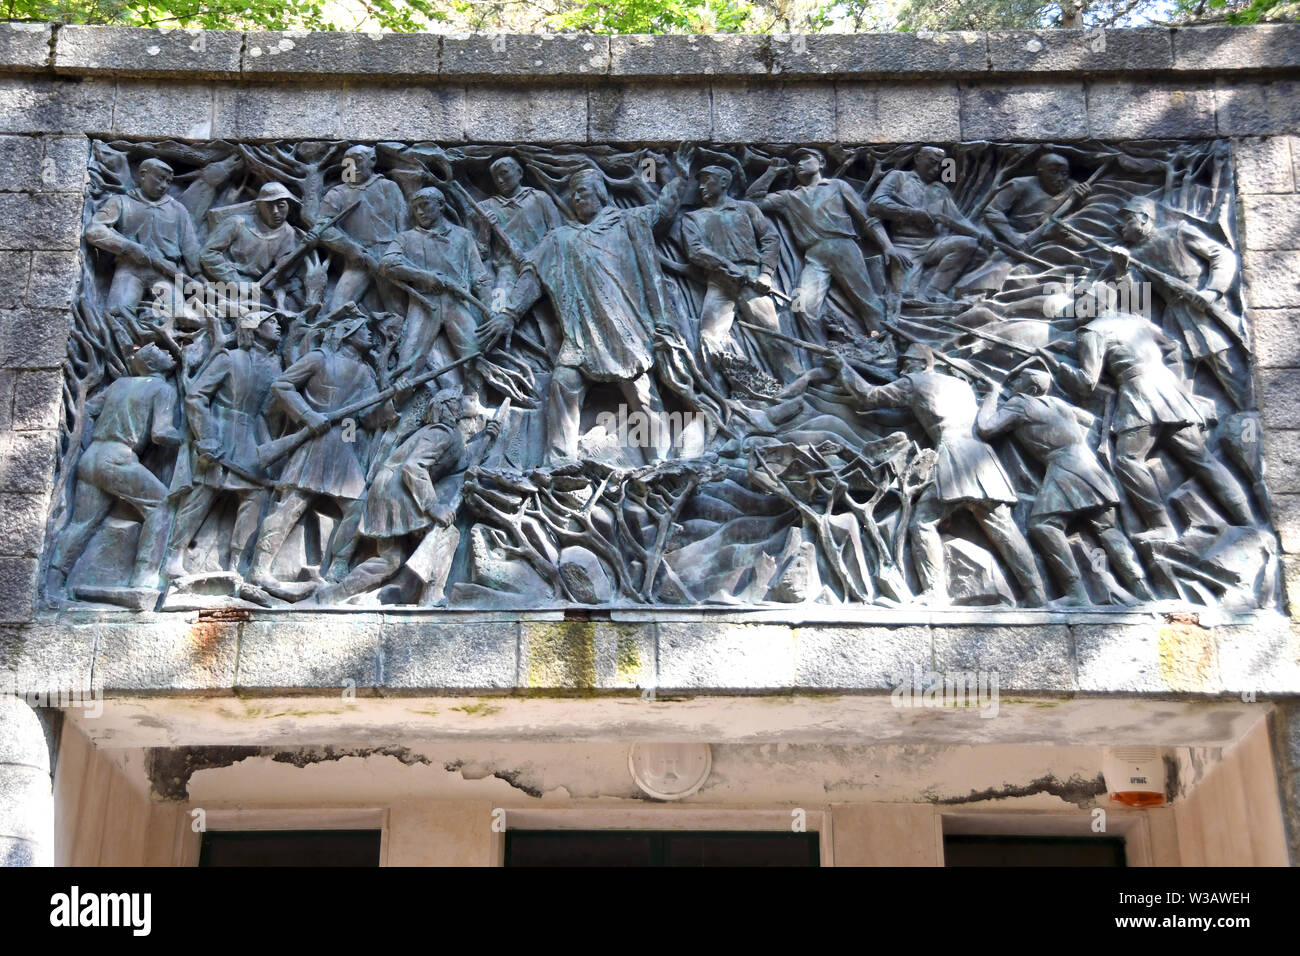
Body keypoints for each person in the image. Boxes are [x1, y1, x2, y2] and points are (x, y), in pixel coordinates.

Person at [477, 164, 687, 464]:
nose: (576, 198)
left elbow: (664, 211)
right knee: (563, 383)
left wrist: (678, 176)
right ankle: (559, 465)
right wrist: (509, 314)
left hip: (624, 334)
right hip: (581, 337)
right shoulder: (560, 238)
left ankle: (661, 464)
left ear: (601, 194)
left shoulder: (627, 222)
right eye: (573, 194)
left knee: (643, 395)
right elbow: (532, 274)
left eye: (582, 192)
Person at [827, 342, 1046, 606]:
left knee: (923, 522)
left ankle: (935, 592)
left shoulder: (913, 382)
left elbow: (869, 396)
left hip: (953, 456)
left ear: (923, 364)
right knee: (1005, 528)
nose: (902, 369)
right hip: (982, 458)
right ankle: (1037, 594)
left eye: (907, 363)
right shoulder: (962, 385)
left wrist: (842, 366)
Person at [1055, 286, 1252, 537]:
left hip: (1139, 397)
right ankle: (1246, 519)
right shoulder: (1135, 321)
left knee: (1127, 461)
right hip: (1170, 391)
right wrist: (1176, 383)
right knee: (1202, 459)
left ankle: (1161, 526)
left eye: (1081, 304)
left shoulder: (1092, 331)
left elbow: (1086, 383)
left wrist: (1063, 371)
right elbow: (1173, 348)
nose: (1076, 312)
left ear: (1095, 305)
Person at [246, 314, 401, 598]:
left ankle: (339, 565)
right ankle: (259, 568)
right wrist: (307, 416)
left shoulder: (365, 372)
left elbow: (365, 418)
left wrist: (390, 401)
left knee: (357, 506)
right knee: (290, 506)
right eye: (362, 328)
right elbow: (281, 385)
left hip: (342, 443)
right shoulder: (320, 358)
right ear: (346, 332)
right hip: (314, 439)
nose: (369, 334)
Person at [976, 366, 1152, 604]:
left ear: (1029, 388)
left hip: (1065, 468)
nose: (1013, 382)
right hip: (1091, 469)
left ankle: (1076, 594)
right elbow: (1089, 421)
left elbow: (986, 428)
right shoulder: (1058, 404)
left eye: (1017, 380)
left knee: (1043, 525)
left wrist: (992, 395)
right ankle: (1142, 590)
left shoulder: (1021, 402)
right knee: (1108, 530)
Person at [48, 344, 183, 595]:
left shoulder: (119, 385)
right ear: (152, 365)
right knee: (162, 505)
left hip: (91, 458)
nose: (170, 354)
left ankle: (55, 581)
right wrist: (189, 440)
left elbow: (87, 410)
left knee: (81, 523)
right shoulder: (163, 389)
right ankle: (144, 577)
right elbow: (160, 433)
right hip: (119, 458)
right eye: (163, 353)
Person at [163, 311, 284, 580]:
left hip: (253, 438)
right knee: (202, 494)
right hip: (220, 432)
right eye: (271, 322)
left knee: (256, 495)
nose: (278, 327)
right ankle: (174, 556)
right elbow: (196, 397)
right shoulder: (230, 359)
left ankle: (238, 563)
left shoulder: (277, 367)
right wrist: (206, 437)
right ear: (254, 329)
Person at [1108, 196, 1253, 410]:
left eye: (1128, 219)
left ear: (1145, 218)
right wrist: (1122, 271)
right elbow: (1137, 302)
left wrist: (1212, 291)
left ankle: (1251, 418)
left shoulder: (1177, 231)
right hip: (1173, 319)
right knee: (1174, 376)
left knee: (1227, 366)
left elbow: (1221, 255)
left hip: (1202, 309)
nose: (1122, 226)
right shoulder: (1135, 257)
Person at [746, 147, 902, 330]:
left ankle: (883, 342)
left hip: (843, 247)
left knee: (865, 299)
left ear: (821, 163)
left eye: (805, 159)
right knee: (802, 306)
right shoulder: (789, 197)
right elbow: (751, 202)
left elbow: (866, 218)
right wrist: (771, 172)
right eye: (797, 162)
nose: (799, 164)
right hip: (814, 255)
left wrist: (887, 246)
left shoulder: (837, 186)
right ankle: (820, 353)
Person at [682, 165, 801, 383]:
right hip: (719, 282)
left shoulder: (747, 209)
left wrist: (766, 274)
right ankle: (719, 397)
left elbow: (770, 239)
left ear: (724, 182)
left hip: (752, 279)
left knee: (773, 336)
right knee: (708, 338)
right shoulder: (693, 218)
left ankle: (797, 385)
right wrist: (726, 265)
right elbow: (695, 250)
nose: (700, 186)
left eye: (707, 180)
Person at [84, 158, 201, 351]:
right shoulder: (121, 202)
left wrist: (197, 276)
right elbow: (94, 231)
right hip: (129, 270)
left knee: (182, 318)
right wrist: (128, 247)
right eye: (160, 179)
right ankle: (122, 363)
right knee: (116, 316)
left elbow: (191, 248)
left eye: (168, 182)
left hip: (167, 273)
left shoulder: (178, 210)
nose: (164, 185)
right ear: (143, 175)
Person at [378, 186, 493, 383]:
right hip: (423, 305)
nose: (420, 212)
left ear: (441, 205)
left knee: (475, 358)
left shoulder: (463, 236)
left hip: (457, 304)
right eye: (415, 208)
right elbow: (386, 264)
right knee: (407, 366)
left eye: (424, 205)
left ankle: (475, 405)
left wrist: (490, 310)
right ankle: (394, 405)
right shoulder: (406, 238)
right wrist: (424, 277)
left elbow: (479, 277)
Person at [869, 146, 992, 299]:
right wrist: (912, 214)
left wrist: (978, 234)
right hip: (905, 245)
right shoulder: (898, 177)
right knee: (906, 296)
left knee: (969, 245)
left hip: (934, 244)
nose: (936, 169)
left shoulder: (939, 189)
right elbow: (875, 204)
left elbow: (957, 219)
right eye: (932, 162)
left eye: (940, 165)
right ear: (918, 158)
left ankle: (935, 290)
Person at [315, 145, 408, 313]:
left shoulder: (389, 187)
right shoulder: (337, 193)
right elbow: (323, 228)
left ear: (372, 161)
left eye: (358, 161)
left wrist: (397, 254)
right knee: (338, 309)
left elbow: (403, 226)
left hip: (387, 258)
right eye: (348, 164)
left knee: (397, 310)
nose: (353, 168)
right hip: (357, 259)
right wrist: (350, 247)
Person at [200, 181, 305, 309]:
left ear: (289, 206)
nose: (276, 211)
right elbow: (208, 254)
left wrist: (305, 247)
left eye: (281, 206)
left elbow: (282, 273)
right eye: (269, 206)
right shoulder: (237, 223)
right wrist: (237, 282)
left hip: (256, 288)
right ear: (259, 206)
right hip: (222, 282)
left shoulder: (288, 233)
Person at [983, 152, 1092, 252]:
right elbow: (992, 211)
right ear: (1040, 173)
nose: (1060, 178)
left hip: (1051, 239)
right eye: (1054, 172)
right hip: (1016, 238)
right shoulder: (1019, 185)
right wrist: (1014, 238)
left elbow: (1078, 216)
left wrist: (1082, 199)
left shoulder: (1073, 188)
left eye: (1064, 173)